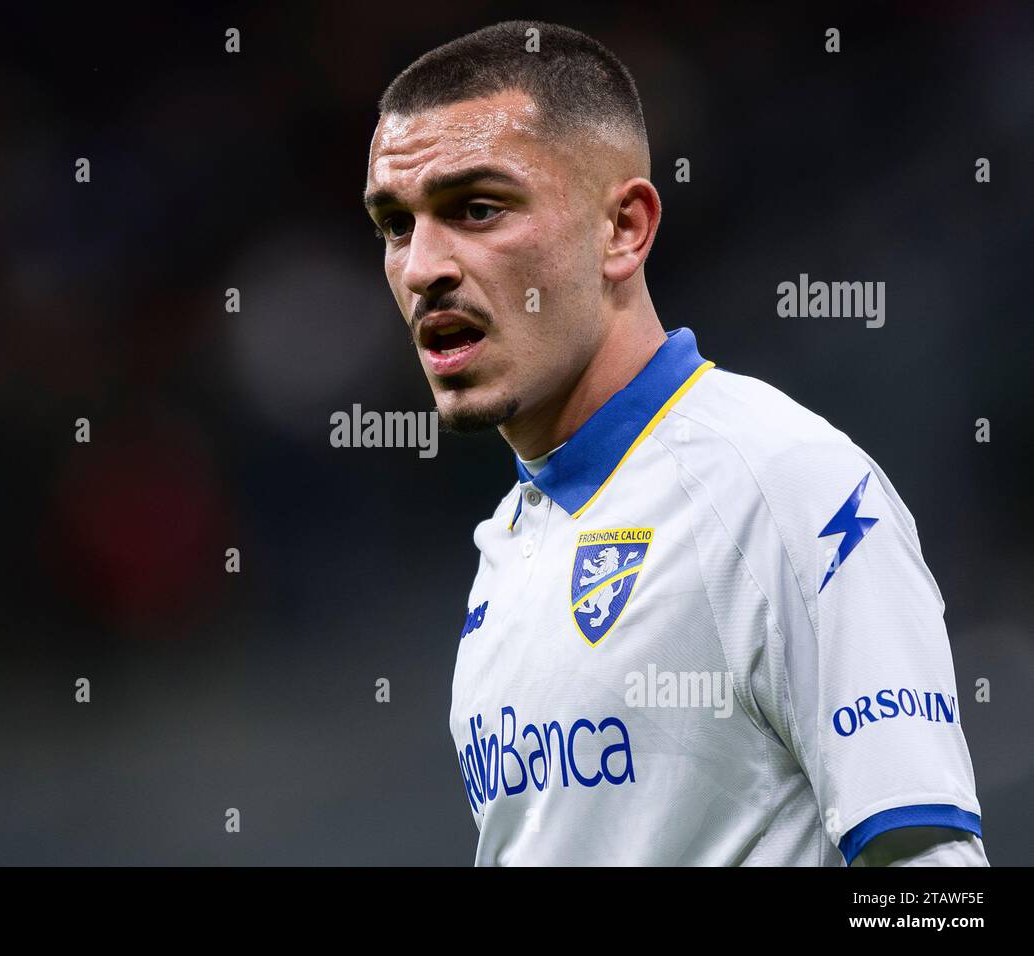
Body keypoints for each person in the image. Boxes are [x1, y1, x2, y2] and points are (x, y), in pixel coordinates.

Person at [363, 20, 986, 865]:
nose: (421, 266)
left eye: (477, 208)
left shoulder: (783, 484)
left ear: (623, 229)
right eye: (396, 225)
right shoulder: (509, 543)